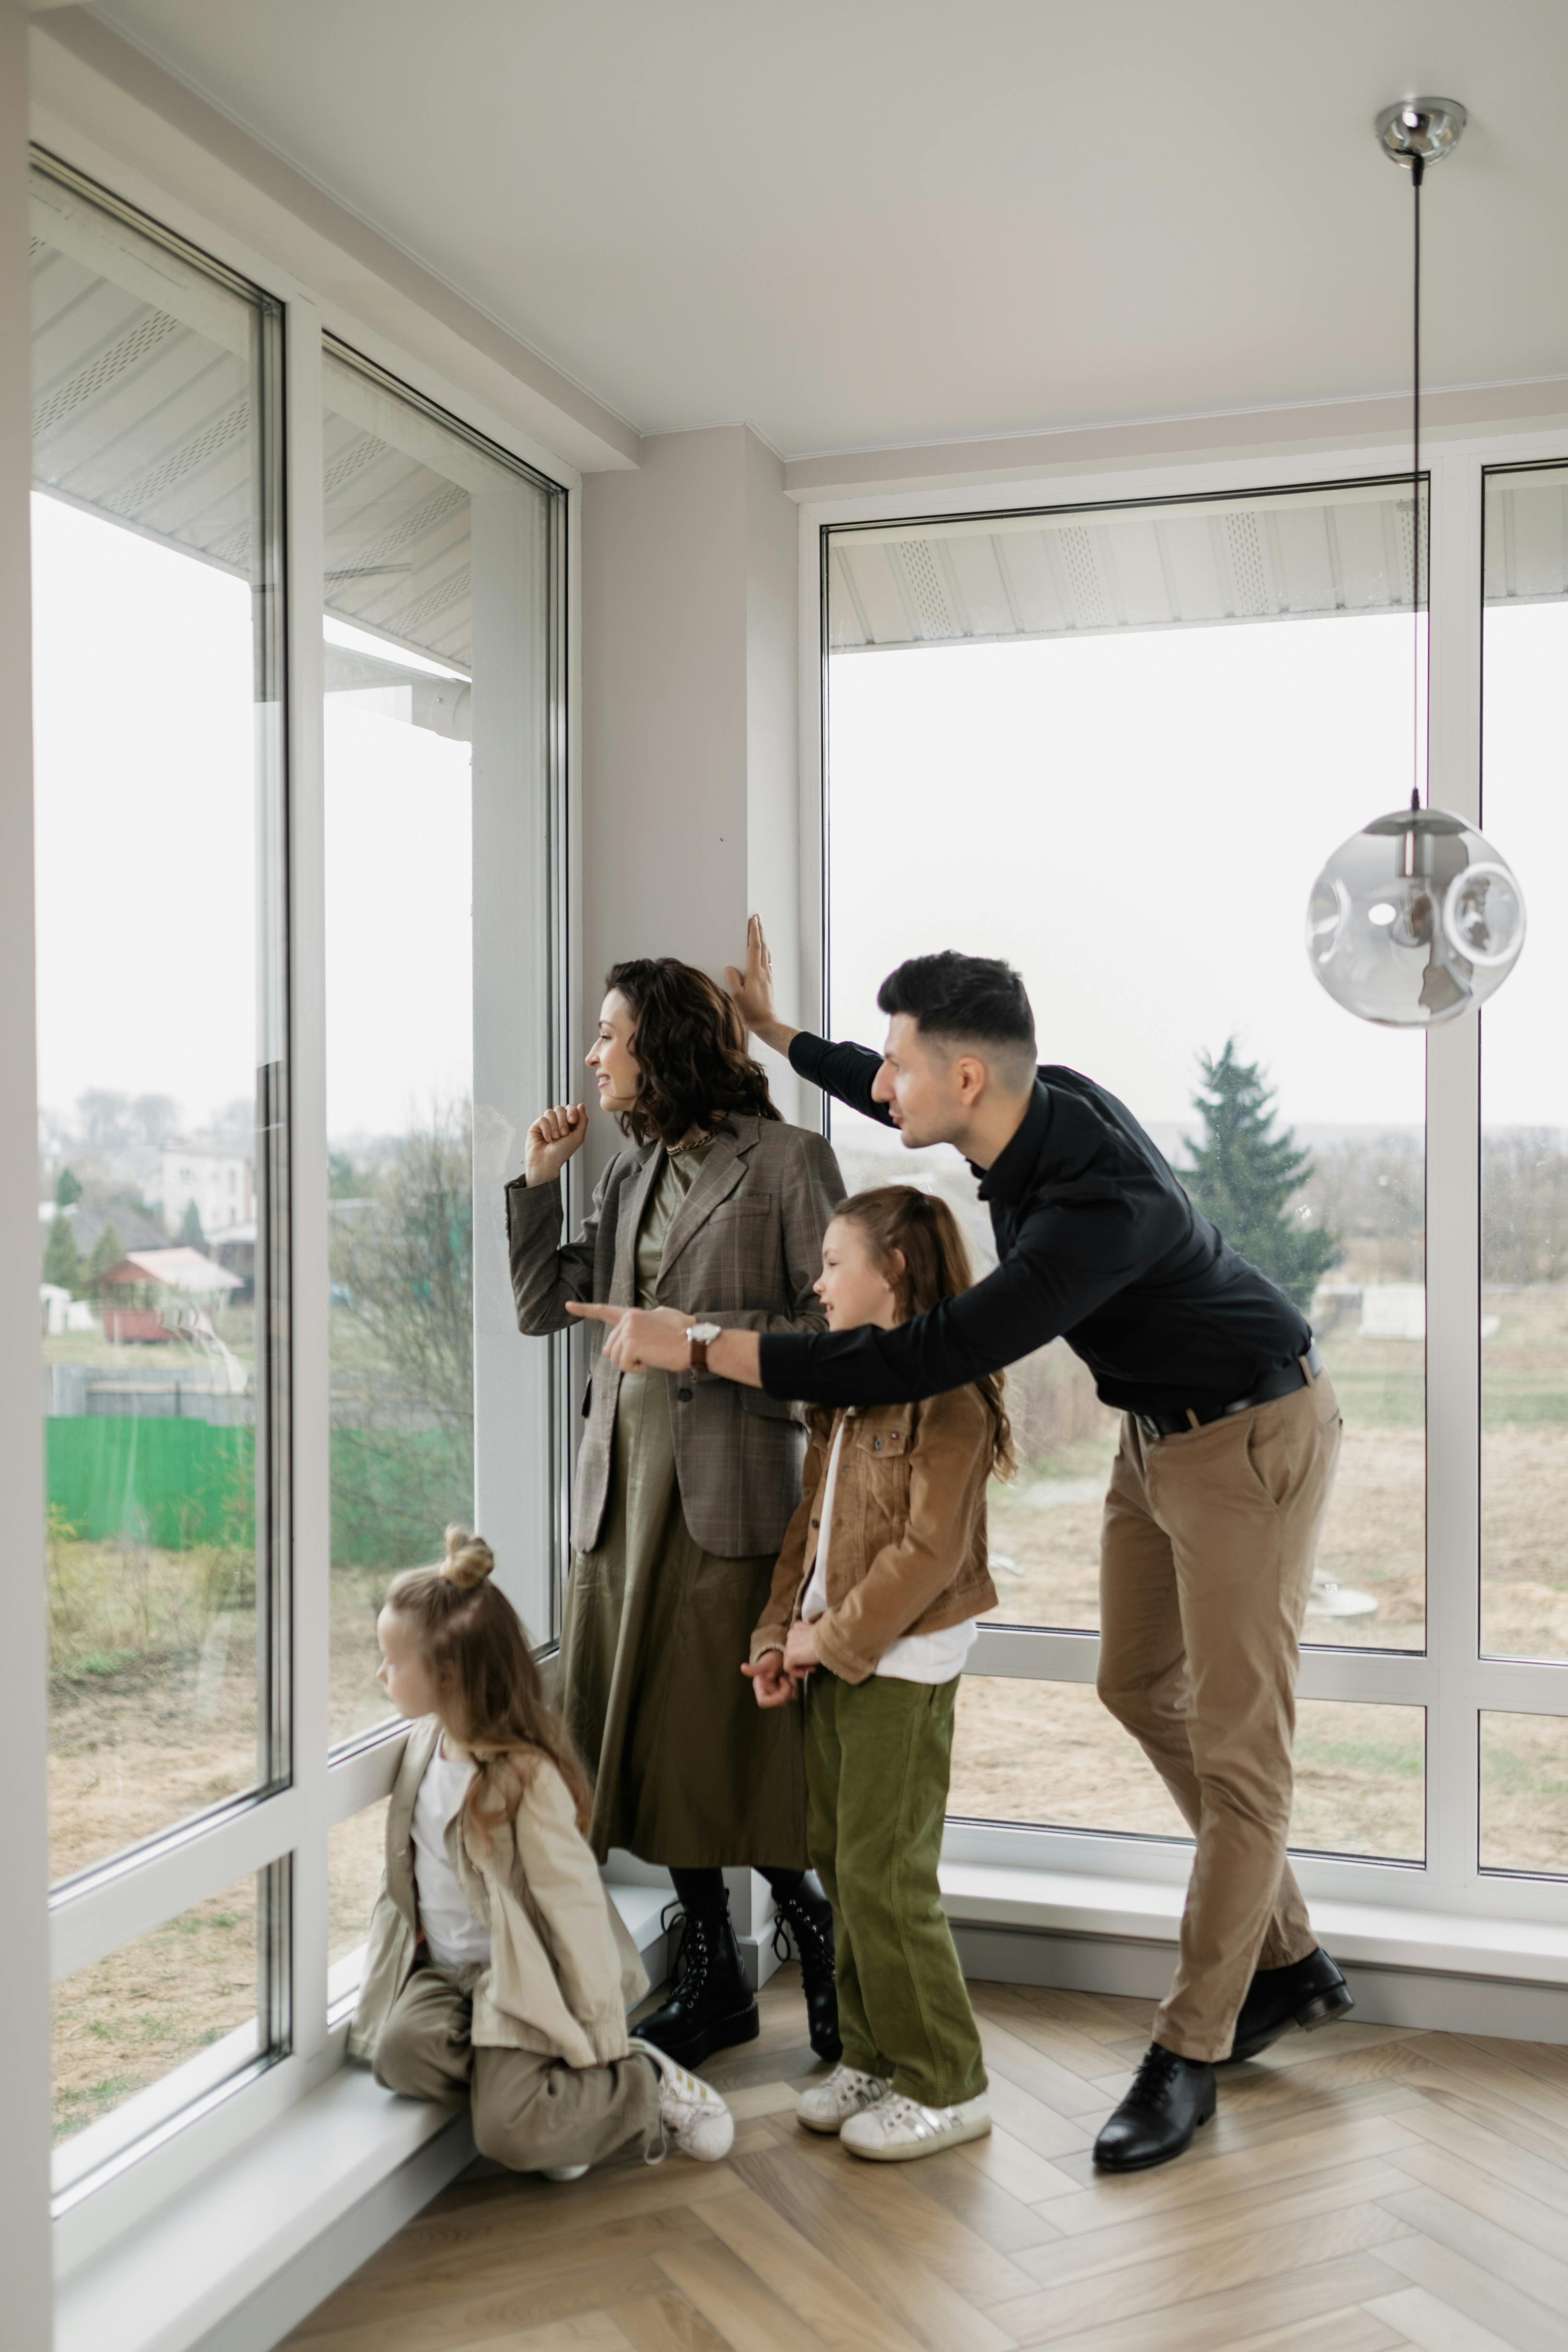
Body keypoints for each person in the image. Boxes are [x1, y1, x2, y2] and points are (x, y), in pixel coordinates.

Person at [569, 920, 1352, 2173]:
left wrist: (702, 1343)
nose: (878, 1085)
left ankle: (1191, 2045)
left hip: (1252, 1433)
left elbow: (925, 1355)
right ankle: (1289, 1954)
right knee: (1132, 1684)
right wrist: (779, 1038)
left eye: (895, 1066)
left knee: (1240, 1751)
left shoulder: (1095, 1211)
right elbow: (880, 1110)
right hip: (1153, 1437)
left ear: (966, 1080)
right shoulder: (1041, 1108)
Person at [508, 956, 844, 2071]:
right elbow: (545, 1306)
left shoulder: (790, 1159)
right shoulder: (629, 1169)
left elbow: (832, 1330)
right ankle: (711, 1973)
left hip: (728, 1482)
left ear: (664, 1041)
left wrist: (690, 1331)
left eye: (610, 1034)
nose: (596, 1057)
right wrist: (540, 1178)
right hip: (623, 1488)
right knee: (653, 1728)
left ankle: (820, 1943)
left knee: (726, 1732)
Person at [747, 1186, 1004, 2162]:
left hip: (905, 1659)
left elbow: (926, 1553)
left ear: (892, 1270)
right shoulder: (847, 1390)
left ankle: (948, 2079)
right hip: (835, 1655)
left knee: (889, 1875)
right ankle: (872, 2052)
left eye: (834, 1261)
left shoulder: (953, 1394)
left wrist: (828, 1638)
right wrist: (782, 1633)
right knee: (842, 1862)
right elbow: (808, 1536)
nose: (818, 1281)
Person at [347, 1528, 735, 2175]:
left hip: (520, 1974)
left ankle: (639, 2086)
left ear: (447, 1673)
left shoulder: (524, 1777)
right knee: (399, 2057)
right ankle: (549, 2102)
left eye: (392, 1660)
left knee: (510, 2136)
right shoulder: (423, 1746)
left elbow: (573, 1903)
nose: (379, 1672)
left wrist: (601, 2032)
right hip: (447, 1974)